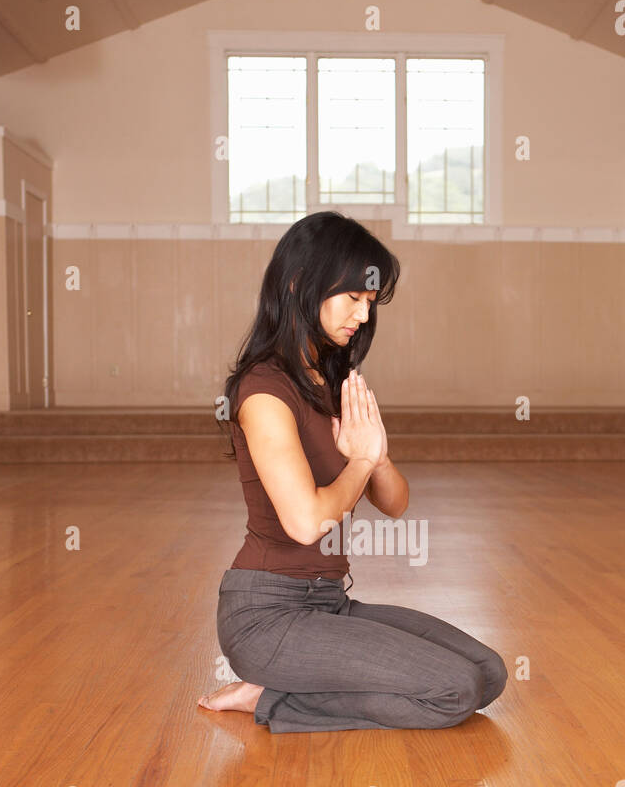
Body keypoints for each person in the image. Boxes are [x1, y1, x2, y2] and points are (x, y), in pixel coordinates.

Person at [197, 211, 507, 733]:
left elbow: (395, 502)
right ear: (300, 283)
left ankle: (294, 682)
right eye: (354, 299)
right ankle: (270, 698)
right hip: (266, 617)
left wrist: (377, 457)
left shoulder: (330, 379)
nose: (363, 317)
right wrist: (358, 460)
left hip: (328, 603)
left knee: (487, 672)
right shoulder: (263, 392)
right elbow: (304, 523)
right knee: (453, 690)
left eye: (369, 303)